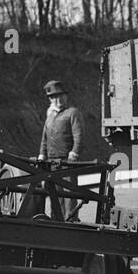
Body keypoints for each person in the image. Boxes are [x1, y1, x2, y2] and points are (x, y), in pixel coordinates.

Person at [37, 79, 86, 221]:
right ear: (50, 99)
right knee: (54, 194)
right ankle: (56, 222)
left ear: (65, 96)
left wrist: (73, 155)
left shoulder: (72, 113)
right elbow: (45, 138)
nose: (57, 100)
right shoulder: (50, 115)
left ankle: (70, 222)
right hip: (51, 162)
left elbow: (79, 136)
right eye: (53, 97)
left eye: (59, 96)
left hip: (67, 162)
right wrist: (42, 155)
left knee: (69, 194)